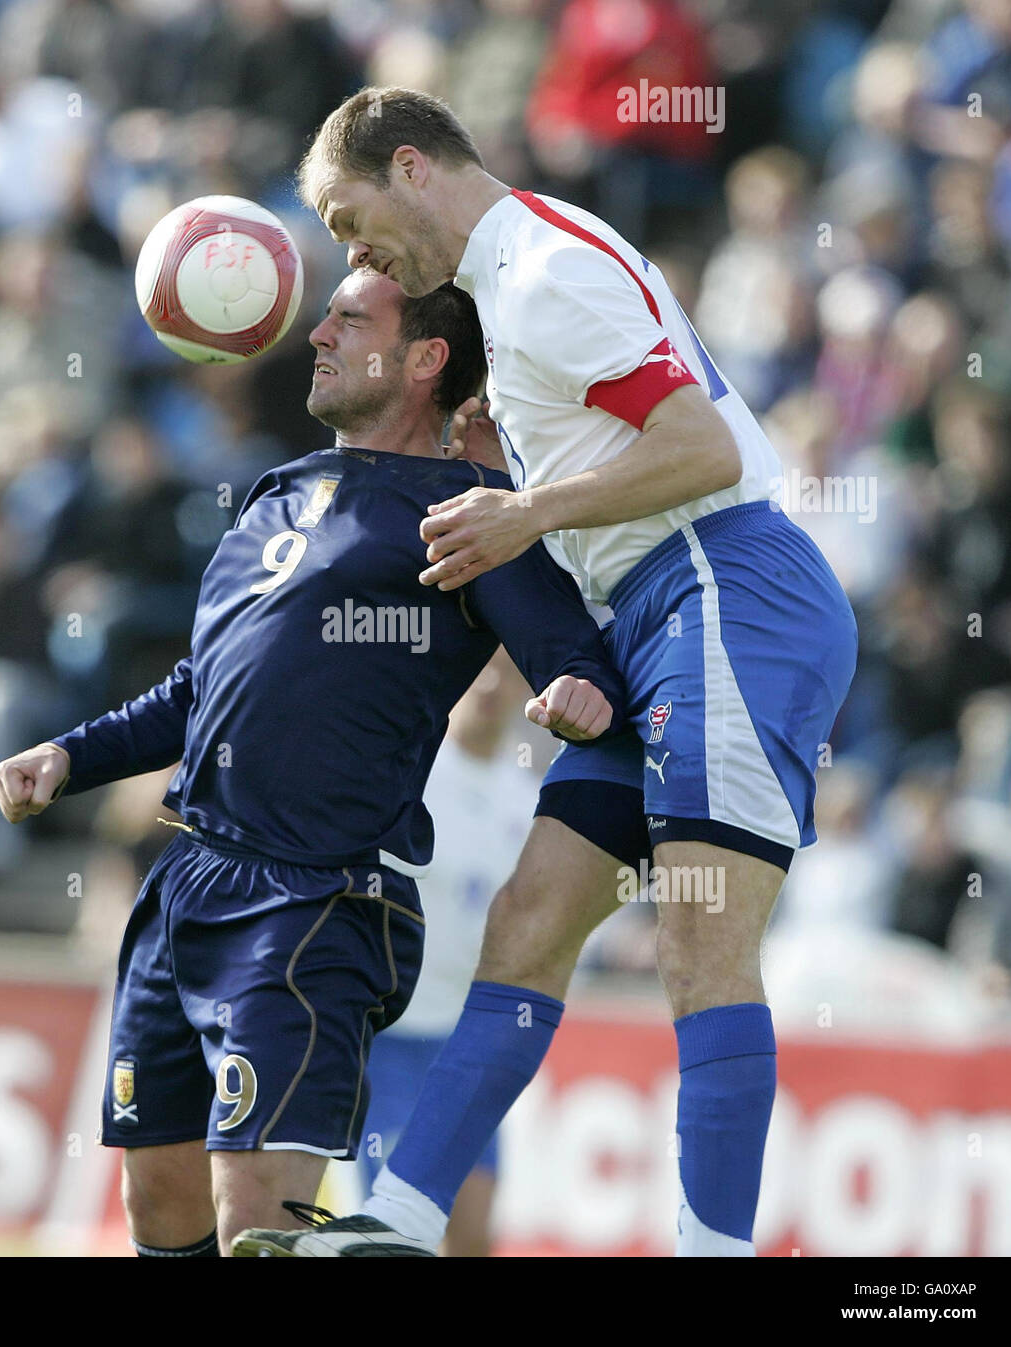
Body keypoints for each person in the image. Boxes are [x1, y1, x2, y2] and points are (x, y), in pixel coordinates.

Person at [232, 87, 857, 1259]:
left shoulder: (541, 276)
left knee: (700, 933)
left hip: (725, 588)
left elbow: (700, 447)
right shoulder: (513, 280)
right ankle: (402, 1226)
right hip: (654, 608)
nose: (348, 249)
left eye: (345, 215)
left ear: (411, 167)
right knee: (526, 918)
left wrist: (527, 510)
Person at [0, 268, 625, 1257]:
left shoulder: (474, 512)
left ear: (424, 360)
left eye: (348, 318)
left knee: (262, 1223)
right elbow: (196, 690)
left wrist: (579, 694)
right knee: (159, 1204)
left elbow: (577, 663)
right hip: (186, 883)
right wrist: (69, 755)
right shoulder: (277, 491)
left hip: (314, 901)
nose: (316, 331)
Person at [356, 650, 536, 1257]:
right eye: (477, 665)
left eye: (507, 671)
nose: (488, 682)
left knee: (474, 1235)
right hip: (387, 1035)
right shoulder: (408, 773)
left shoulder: (533, 801)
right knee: (395, 1234)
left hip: (466, 1043)